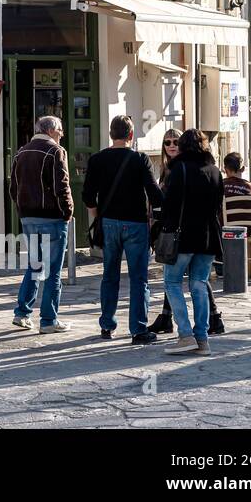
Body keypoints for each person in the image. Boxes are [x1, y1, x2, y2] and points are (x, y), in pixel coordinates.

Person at [83, 115, 162, 344]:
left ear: (111, 134)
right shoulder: (140, 159)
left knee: (110, 275)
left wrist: (97, 214)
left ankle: (107, 324)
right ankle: (138, 329)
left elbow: (87, 194)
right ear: (131, 135)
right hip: (136, 223)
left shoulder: (97, 159)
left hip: (109, 223)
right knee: (139, 278)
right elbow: (154, 193)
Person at [148, 129, 226, 336]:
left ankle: (185, 333)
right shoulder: (215, 171)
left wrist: (162, 226)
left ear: (182, 147)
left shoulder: (179, 169)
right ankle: (202, 335)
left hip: (183, 235)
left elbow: (170, 206)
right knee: (199, 283)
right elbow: (218, 206)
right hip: (208, 236)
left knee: (172, 282)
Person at [9, 116, 73, 334]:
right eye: (61, 130)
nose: (62, 134)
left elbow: (13, 187)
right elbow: (61, 186)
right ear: (52, 130)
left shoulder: (21, 152)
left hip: (28, 217)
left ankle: (22, 313)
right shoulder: (55, 151)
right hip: (51, 217)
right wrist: (68, 212)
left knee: (35, 266)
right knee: (53, 271)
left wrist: (22, 210)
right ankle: (48, 320)